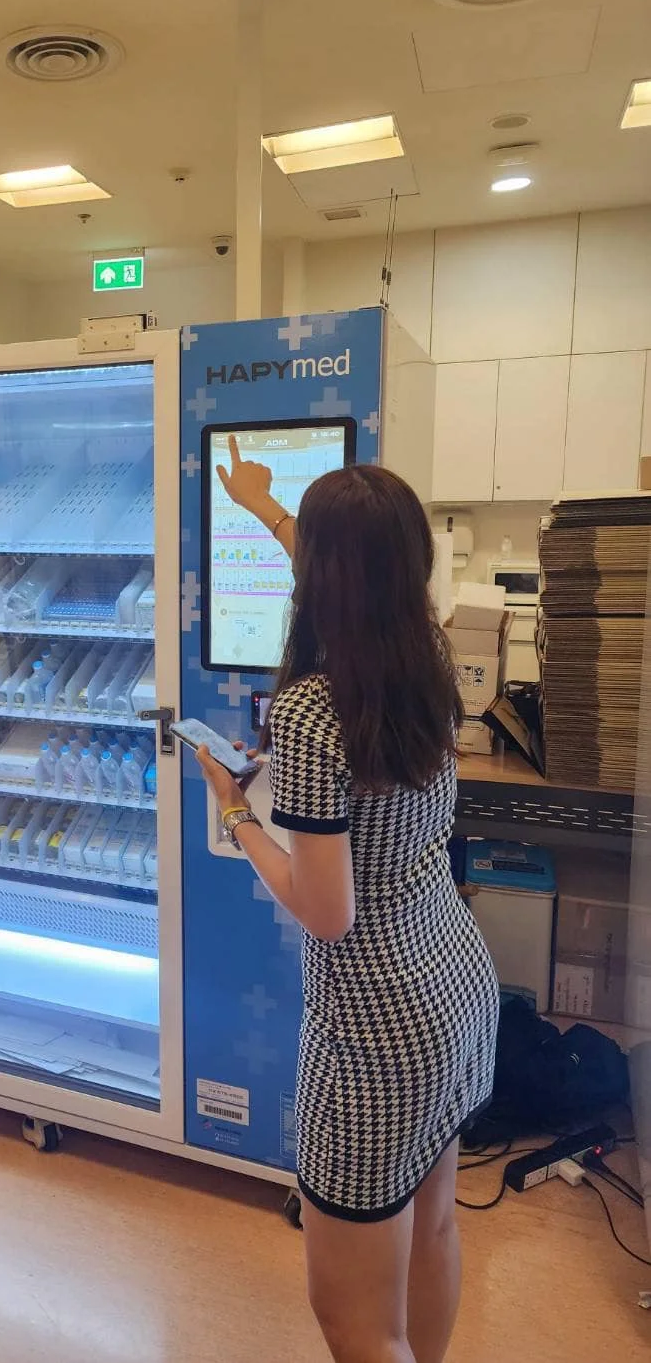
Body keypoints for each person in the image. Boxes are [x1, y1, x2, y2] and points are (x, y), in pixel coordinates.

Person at [199, 440, 499, 1363]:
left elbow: (326, 913)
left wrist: (238, 807)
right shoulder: (430, 656)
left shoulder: (312, 711)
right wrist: (265, 506)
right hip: (453, 986)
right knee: (434, 1231)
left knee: (353, 1318)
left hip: (373, 1035)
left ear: (322, 578)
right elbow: (352, 568)